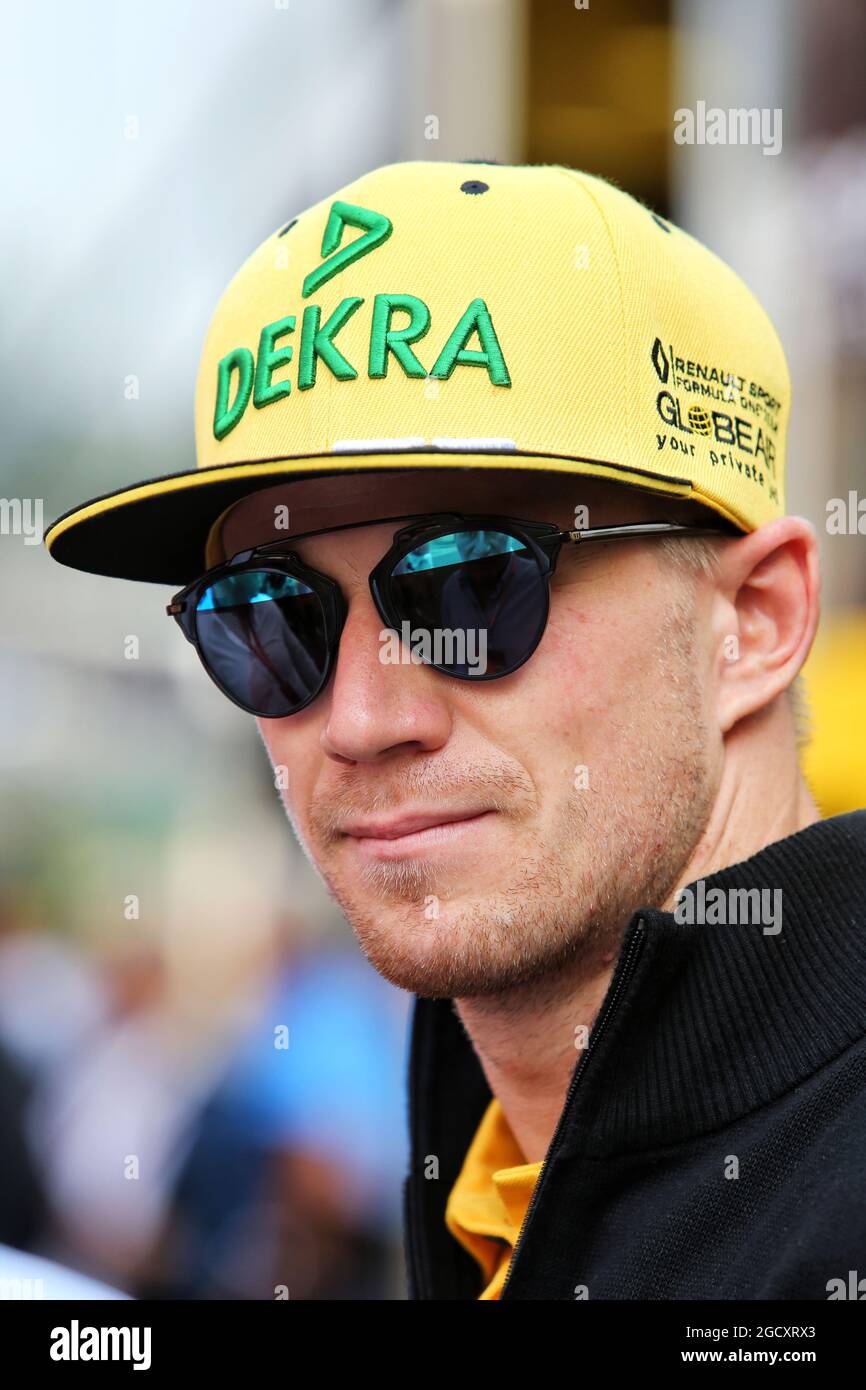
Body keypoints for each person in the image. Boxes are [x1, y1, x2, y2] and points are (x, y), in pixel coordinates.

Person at [44, 159, 866, 1301]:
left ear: (752, 623)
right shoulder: (490, 1177)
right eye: (269, 617)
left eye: (469, 590)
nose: (364, 719)